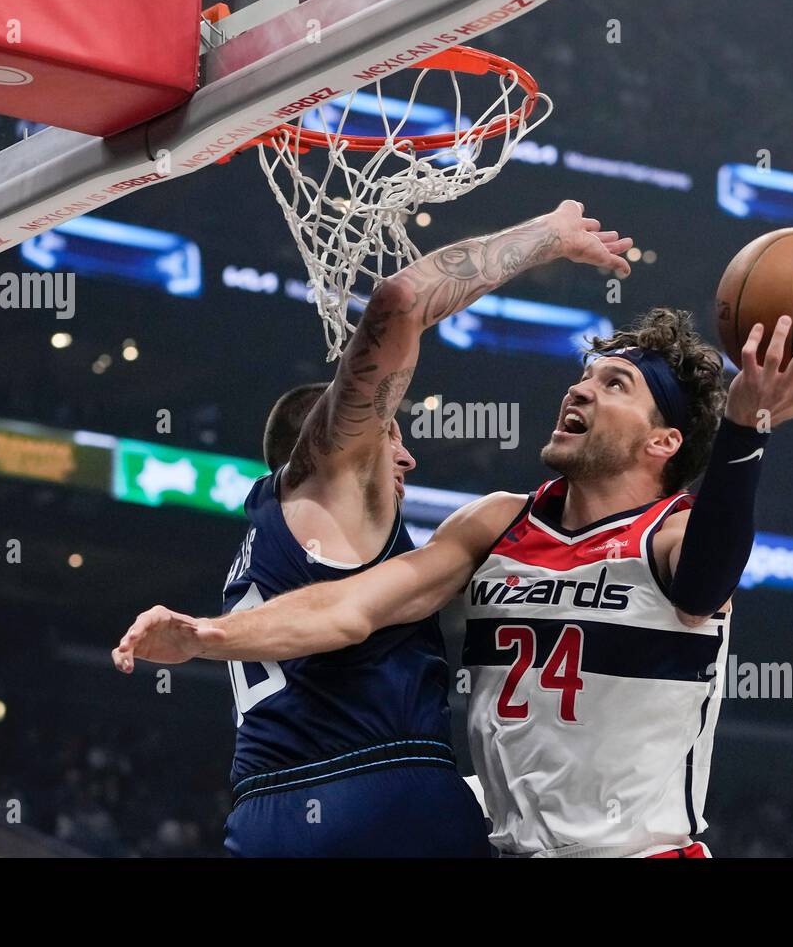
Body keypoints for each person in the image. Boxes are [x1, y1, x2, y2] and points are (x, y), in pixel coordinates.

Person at [116, 300, 793, 857]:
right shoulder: (496, 522)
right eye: (584, 376)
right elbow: (349, 610)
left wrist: (746, 428)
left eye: (613, 384)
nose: (580, 390)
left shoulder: (673, 535)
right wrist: (206, 635)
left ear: (663, 441)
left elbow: (710, 573)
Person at [114, 201, 632, 856]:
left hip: (261, 816)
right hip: (376, 794)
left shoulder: (265, 537)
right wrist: (544, 237)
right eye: (392, 435)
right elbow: (399, 301)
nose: (408, 455)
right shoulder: (333, 475)